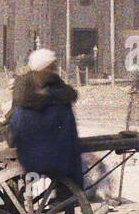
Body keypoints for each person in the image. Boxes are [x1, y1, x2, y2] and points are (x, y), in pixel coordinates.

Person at [9, 48, 84, 186]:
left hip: (46, 132)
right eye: (50, 67)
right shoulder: (24, 81)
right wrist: (50, 98)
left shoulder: (52, 80)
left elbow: (71, 94)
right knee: (61, 111)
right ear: (42, 69)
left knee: (63, 110)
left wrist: (47, 95)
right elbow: (24, 100)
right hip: (28, 133)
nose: (53, 70)